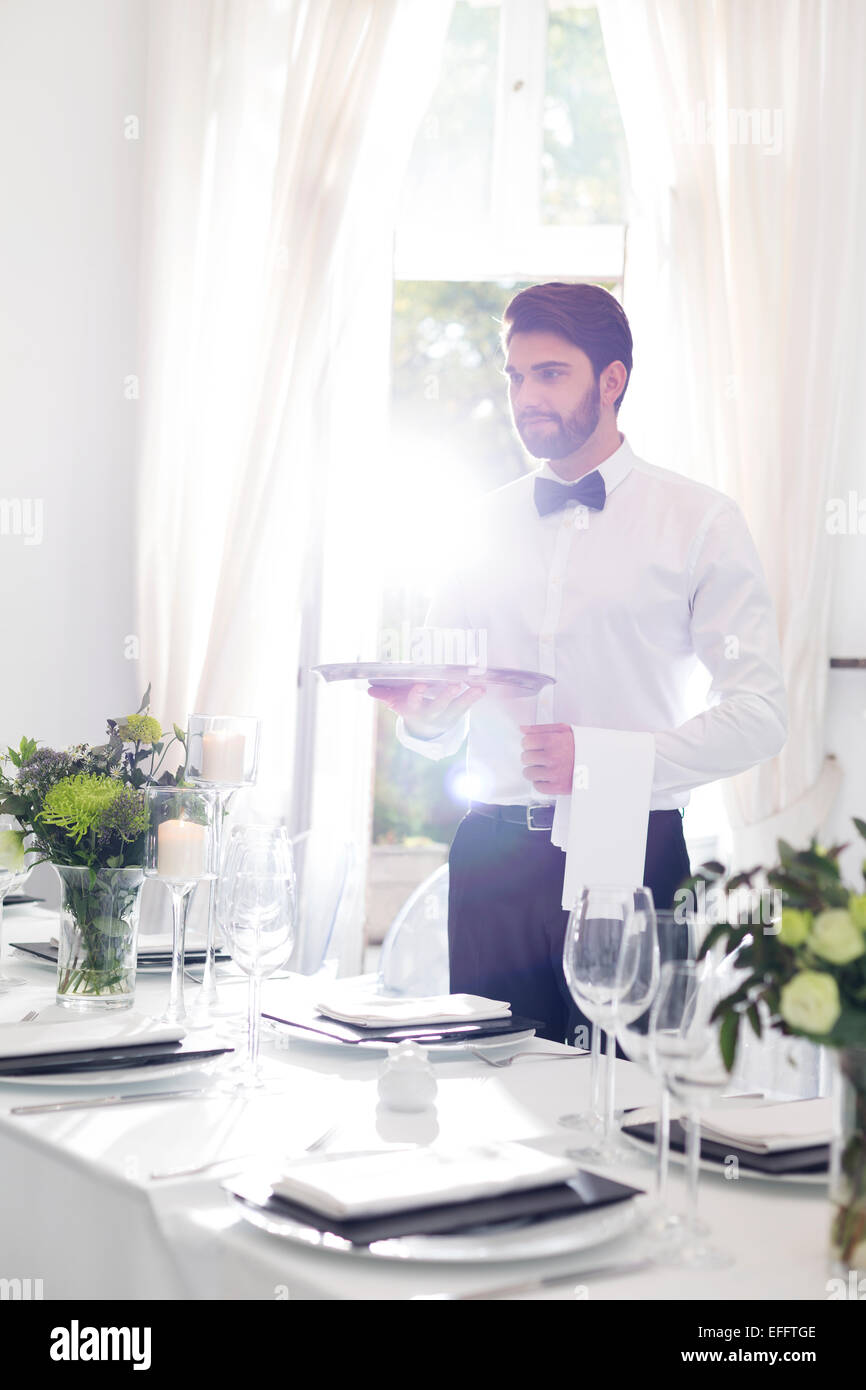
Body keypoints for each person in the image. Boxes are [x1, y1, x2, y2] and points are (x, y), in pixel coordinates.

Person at [370, 282, 787, 1043]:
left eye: (550, 374)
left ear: (612, 380)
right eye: (516, 376)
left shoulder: (701, 522)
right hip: (490, 857)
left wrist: (597, 762)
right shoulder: (473, 525)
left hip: (635, 851)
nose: (526, 395)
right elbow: (438, 722)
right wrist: (426, 722)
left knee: (623, 1107)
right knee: (492, 1107)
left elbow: (761, 718)